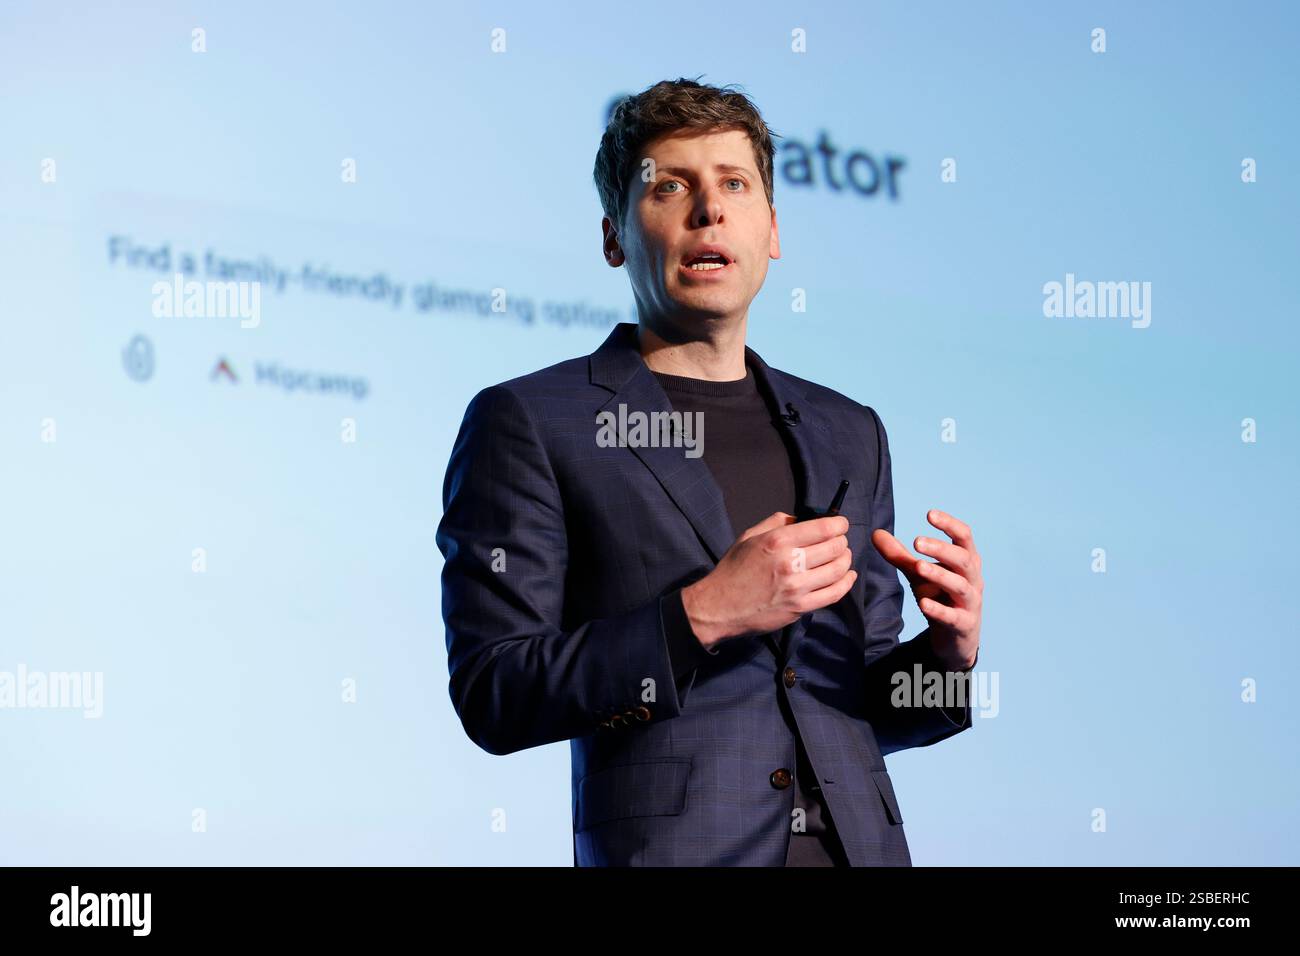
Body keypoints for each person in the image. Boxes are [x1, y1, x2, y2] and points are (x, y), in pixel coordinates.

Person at [435, 77, 983, 866]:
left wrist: (947, 658)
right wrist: (703, 616)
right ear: (614, 236)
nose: (709, 209)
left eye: (734, 183)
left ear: (771, 228)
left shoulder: (849, 432)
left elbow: (859, 709)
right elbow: (495, 693)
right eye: (669, 187)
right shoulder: (530, 421)